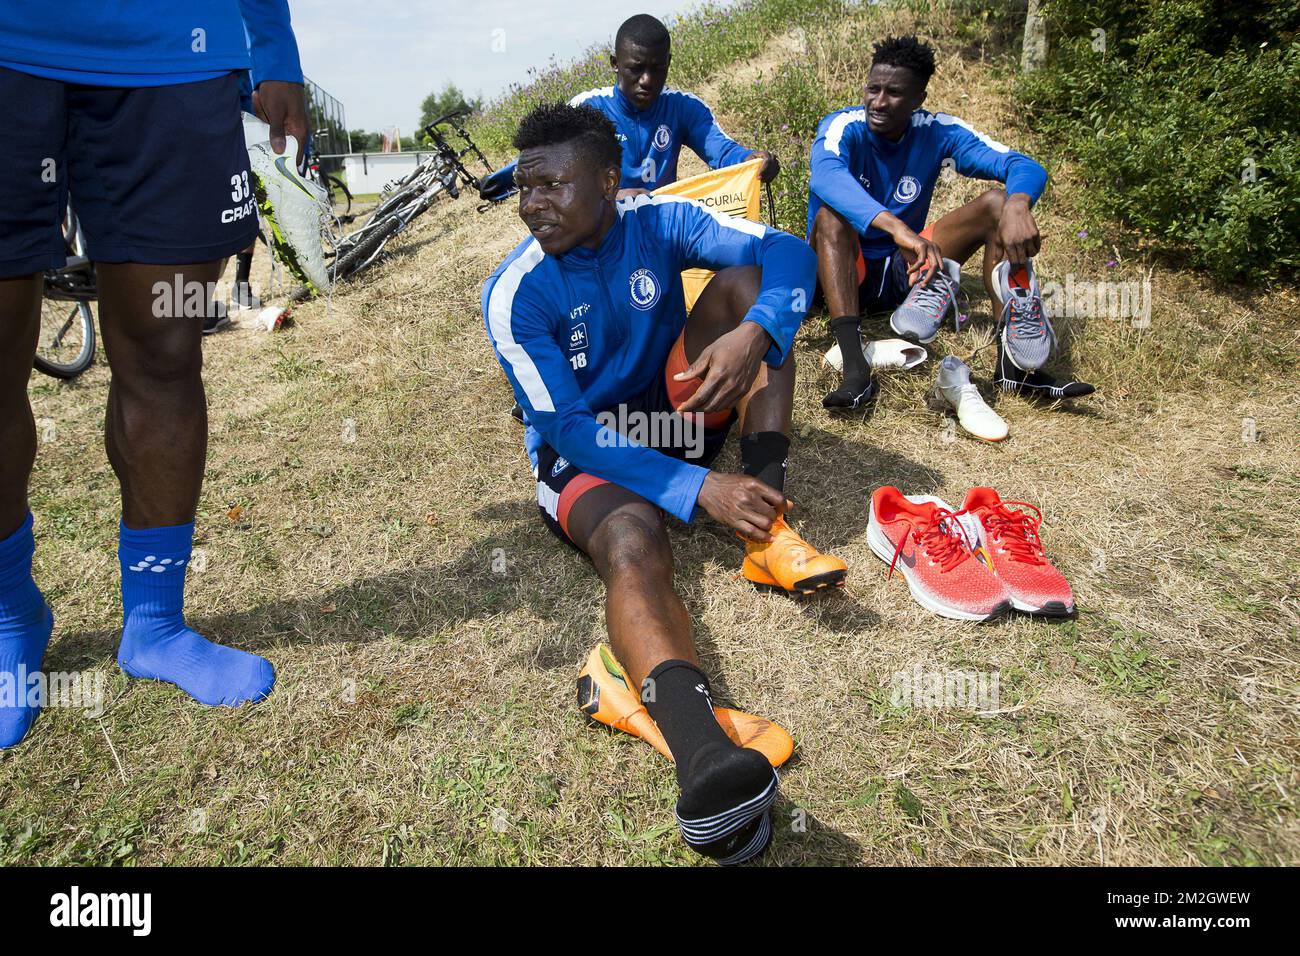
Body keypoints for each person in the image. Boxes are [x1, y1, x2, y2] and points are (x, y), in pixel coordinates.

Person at [482, 103, 846, 864]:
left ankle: (768, 533)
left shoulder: (658, 220)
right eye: (525, 188)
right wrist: (697, 489)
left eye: (553, 184)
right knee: (633, 542)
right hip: (581, 454)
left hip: (668, 413)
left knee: (749, 286)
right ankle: (698, 747)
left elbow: (787, 250)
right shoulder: (517, 293)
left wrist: (756, 333)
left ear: (610, 181)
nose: (533, 204)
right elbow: (571, 431)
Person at [0, 0, 309, 748]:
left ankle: (155, 624)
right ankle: (11, 616)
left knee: (167, 350)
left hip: (172, 52)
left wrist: (273, 48)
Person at [808, 35, 1095, 410]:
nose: (878, 102)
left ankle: (1014, 365)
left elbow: (1024, 166)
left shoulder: (936, 131)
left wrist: (1019, 205)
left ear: (918, 100)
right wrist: (899, 229)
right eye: (873, 88)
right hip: (839, 274)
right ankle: (856, 369)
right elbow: (825, 178)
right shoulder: (843, 126)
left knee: (998, 204)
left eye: (894, 93)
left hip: (903, 270)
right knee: (831, 216)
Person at [481, 13, 779, 202]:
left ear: (668, 63)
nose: (647, 80)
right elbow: (545, 160)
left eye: (657, 69)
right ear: (615, 64)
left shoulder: (684, 107)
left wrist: (752, 160)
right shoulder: (588, 109)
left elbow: (724, 153)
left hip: (659, 222)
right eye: (636, 69)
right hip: (603, 225)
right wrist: (504, 181)